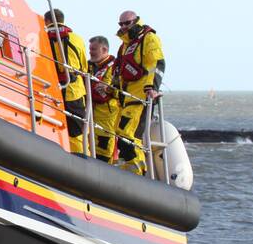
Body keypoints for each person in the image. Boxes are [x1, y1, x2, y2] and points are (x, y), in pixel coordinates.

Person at [112, 10, 165, 175]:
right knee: (119, 134)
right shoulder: (125, 45)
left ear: (136, 21)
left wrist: (152, 88)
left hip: (141, 97)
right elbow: (119, 72)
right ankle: (130, 165)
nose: (124, 27)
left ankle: (139, 170)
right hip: (126, 98)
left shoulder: (148, 39)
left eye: (127, 23)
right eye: (121, 24)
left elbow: (157, 63)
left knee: (128, 133)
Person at [44, 9, 89, 155]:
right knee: (77, 132)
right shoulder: (77, 39)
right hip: (74, 91)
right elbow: (83, 66)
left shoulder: (43, 36)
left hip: (52, 90)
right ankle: (82, 159)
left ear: (47, 21)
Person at [88, 35, 119, 163]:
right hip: (91, 113)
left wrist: (107, 89)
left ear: (104, 50)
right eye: (90, 49)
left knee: (105, 146)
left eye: (94, 49)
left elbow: (115, 90)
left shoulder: (115, 67)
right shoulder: (89, 65)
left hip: (108, 114)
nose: (90, 52)